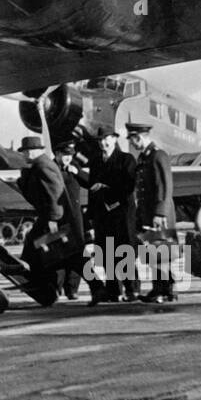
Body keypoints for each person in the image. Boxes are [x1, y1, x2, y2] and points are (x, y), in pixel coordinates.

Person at [17, 136, 87, 301]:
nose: (24, 155)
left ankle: (50, 287)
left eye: (25, 152)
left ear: (32, 151)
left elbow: (54, 193)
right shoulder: (42, 164)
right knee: (56, 253)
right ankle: (46, 287)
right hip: (57, 216)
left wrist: (53, 218)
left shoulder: (44, 165)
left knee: (67, 255)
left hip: (61, 217)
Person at [75, 125, 138, 302]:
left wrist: (107, 189)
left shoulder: (126, 159)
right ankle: (113, 291)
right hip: (103, 215)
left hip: (122, 214)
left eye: (107, 139)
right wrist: (92, 216)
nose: (103, 143)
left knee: (124, 252)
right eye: (100, 140)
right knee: (107, 253)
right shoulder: (96, 162)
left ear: (115, 139)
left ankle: (132, 289)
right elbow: (92, 189)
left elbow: (129, 186)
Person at [127, 121, 176, 303]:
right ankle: (161, 289)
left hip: (158, 214)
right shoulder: (145, 157)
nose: (132, 144)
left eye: (133, 140)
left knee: (161, 252)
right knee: (155, 252)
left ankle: (163, 290)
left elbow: (164, 185)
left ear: (139, 137)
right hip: (149, 213)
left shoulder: (158, 155)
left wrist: (160, 213)